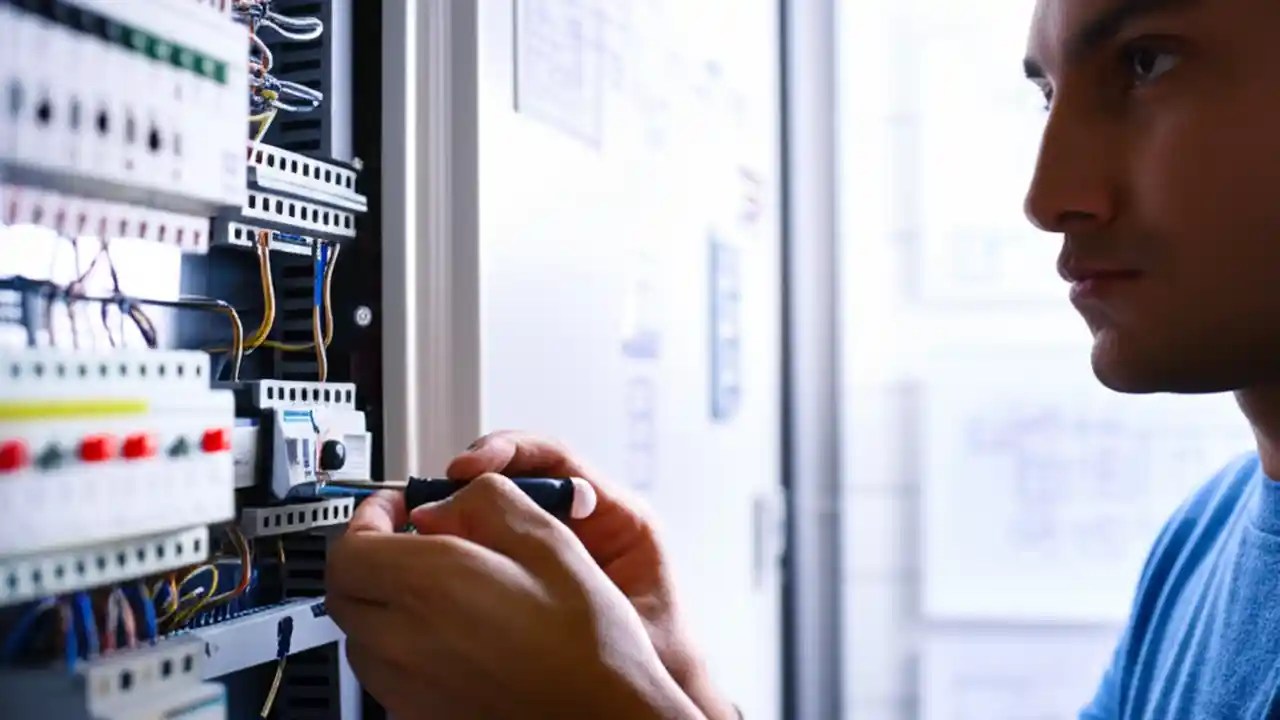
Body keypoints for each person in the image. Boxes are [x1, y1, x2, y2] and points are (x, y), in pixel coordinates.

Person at [325, 0, 1280, 716]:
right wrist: (674, 688)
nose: (1047, 195)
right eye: (1047, 94)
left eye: (1147, 63)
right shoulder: (1206, 536)